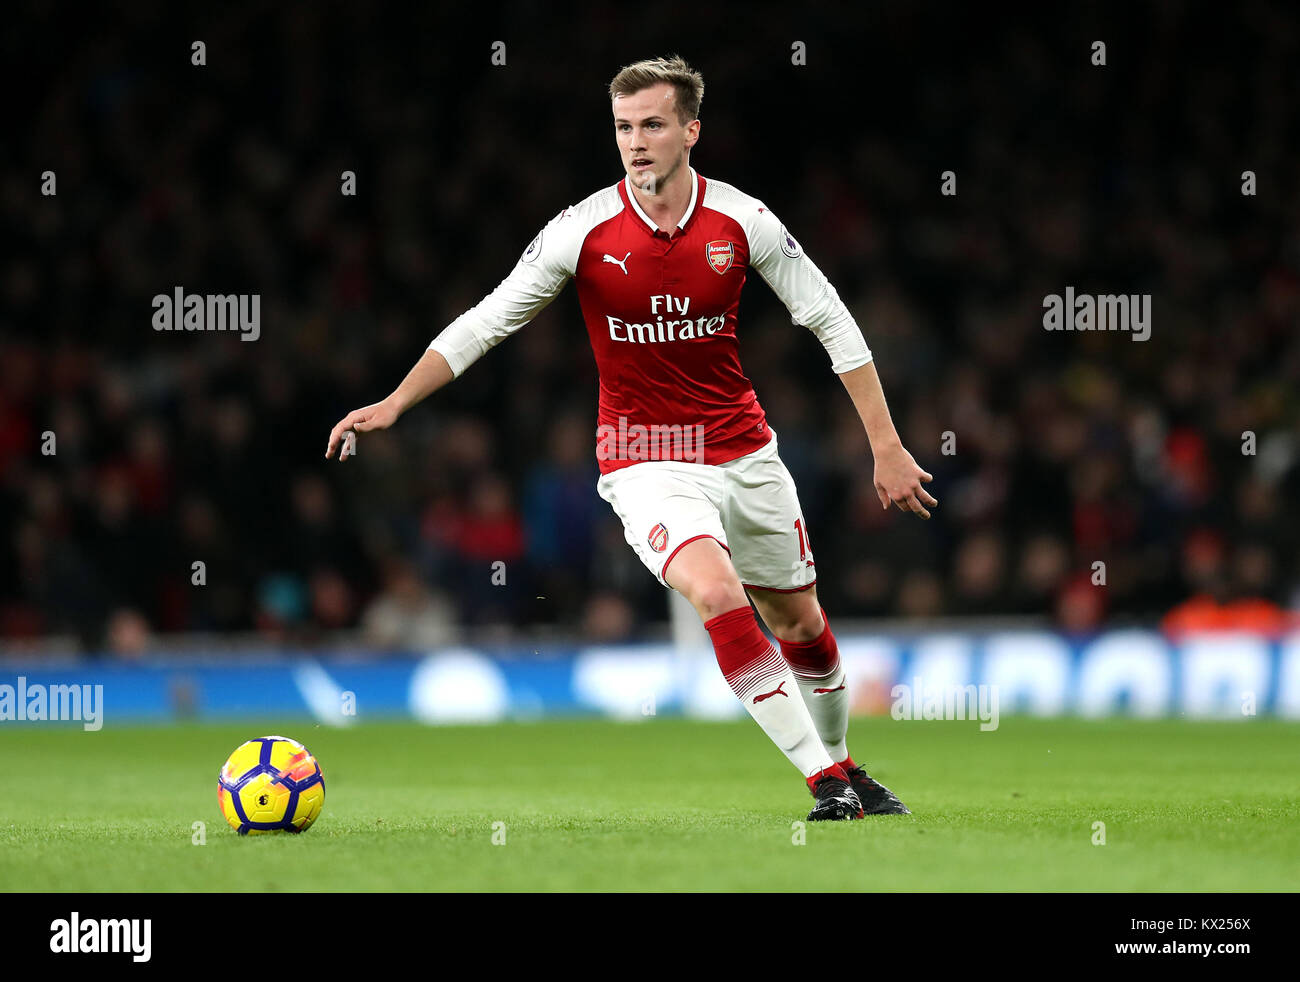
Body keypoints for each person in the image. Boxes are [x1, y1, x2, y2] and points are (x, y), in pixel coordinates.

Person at [327, 55, 937, 820]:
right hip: (644, 457)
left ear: (691, 130)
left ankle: (847, 762)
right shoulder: (580, 231)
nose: (636, 142)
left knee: (800, 623)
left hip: (743, 449)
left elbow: (830, 319)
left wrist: (885, 445)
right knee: (715, 591)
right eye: (623, 127)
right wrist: (396, 401)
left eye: (652, 124)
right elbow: (490, 318)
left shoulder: (744, 222)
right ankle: (824, 782)